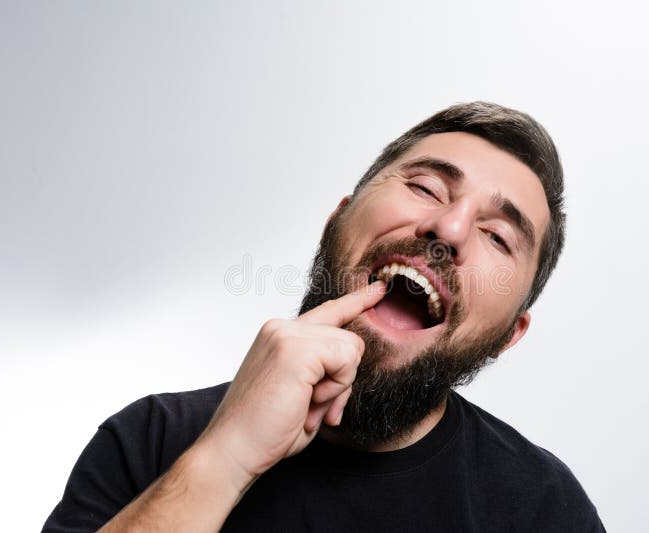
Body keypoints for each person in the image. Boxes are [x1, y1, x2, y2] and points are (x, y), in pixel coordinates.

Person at [43, 102, 605, 532]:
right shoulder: (151, 440)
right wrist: (227, 456)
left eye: (497, 236)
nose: (450, 229)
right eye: (424, 187)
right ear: (337, 223)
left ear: (509, 335)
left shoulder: (542, 508)